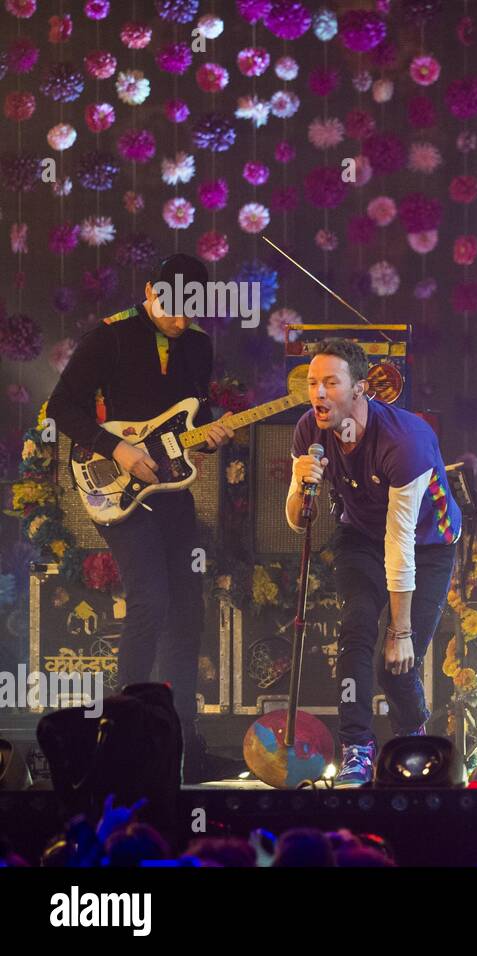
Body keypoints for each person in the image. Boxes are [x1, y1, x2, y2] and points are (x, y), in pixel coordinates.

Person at [45, 253, 235, 782]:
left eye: (191, 312)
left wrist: (216, 434)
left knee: (188, 607)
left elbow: (196, 414)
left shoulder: (197, 344)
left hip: (171, 488)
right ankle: (124, 737)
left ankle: (182, 740)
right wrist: (119, 451)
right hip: (115, 486)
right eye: (172, 308)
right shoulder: (110, 337)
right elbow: (62, 408)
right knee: (149, 599)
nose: (180, 321)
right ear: (151, 291)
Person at [286, 338, 461, 787]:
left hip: (427, 543)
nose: (319, 394)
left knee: (395, 662)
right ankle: (357, 749)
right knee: (356, 628)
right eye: (312, 383)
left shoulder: (405, 442)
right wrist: (300, 484)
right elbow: (295, 519)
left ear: (360, 389)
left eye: (331, 383)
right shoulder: (310, 430)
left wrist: (400, 631)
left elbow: (400, 540)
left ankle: (412, 741)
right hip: (361, 535)